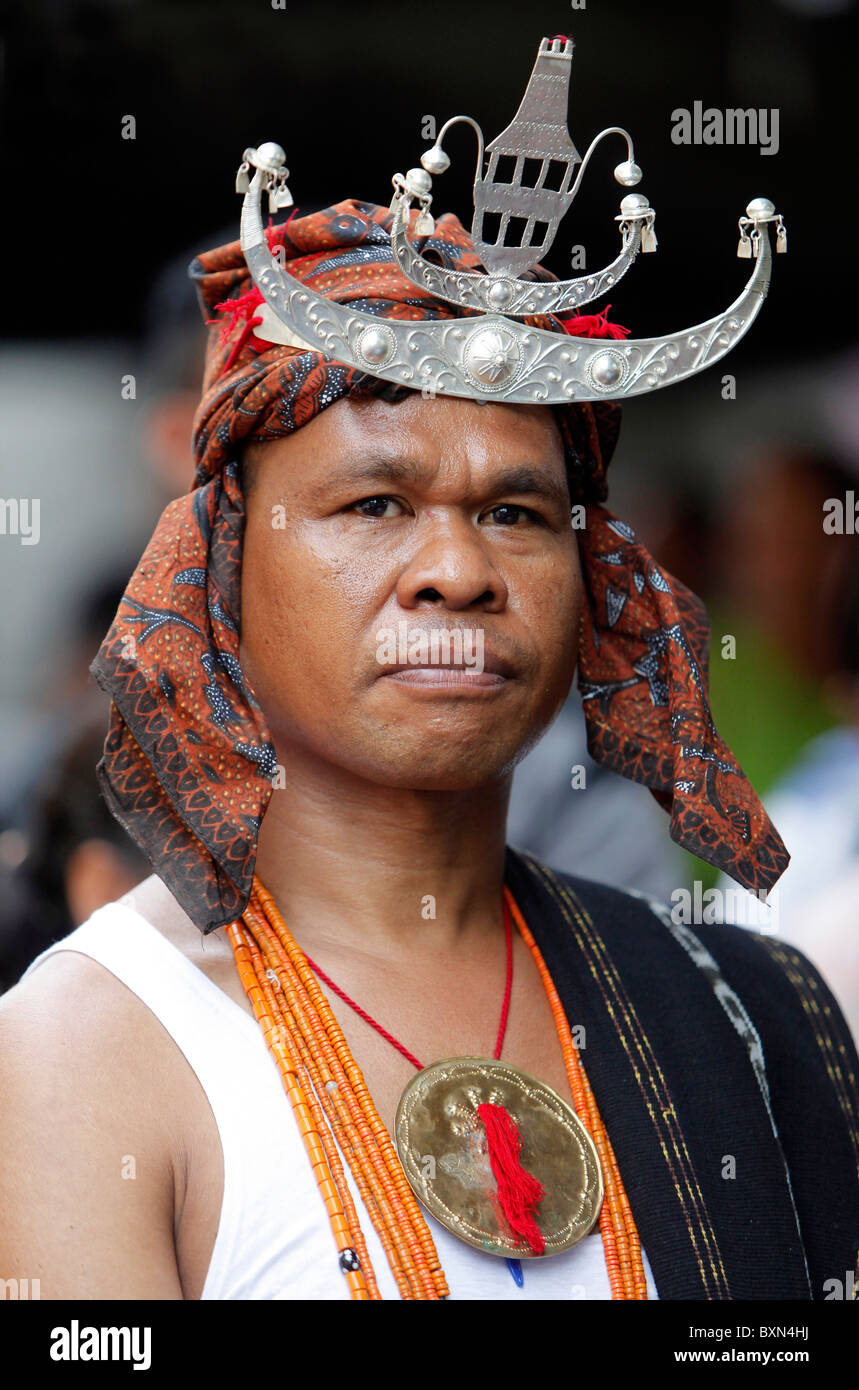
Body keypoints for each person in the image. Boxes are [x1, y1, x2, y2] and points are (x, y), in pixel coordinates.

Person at [1, 41, 856, 1302]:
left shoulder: (743, 1010)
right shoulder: (90, 1045)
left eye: (518, 513)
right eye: (373, 505)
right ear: (224, 564)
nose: (457, 568)